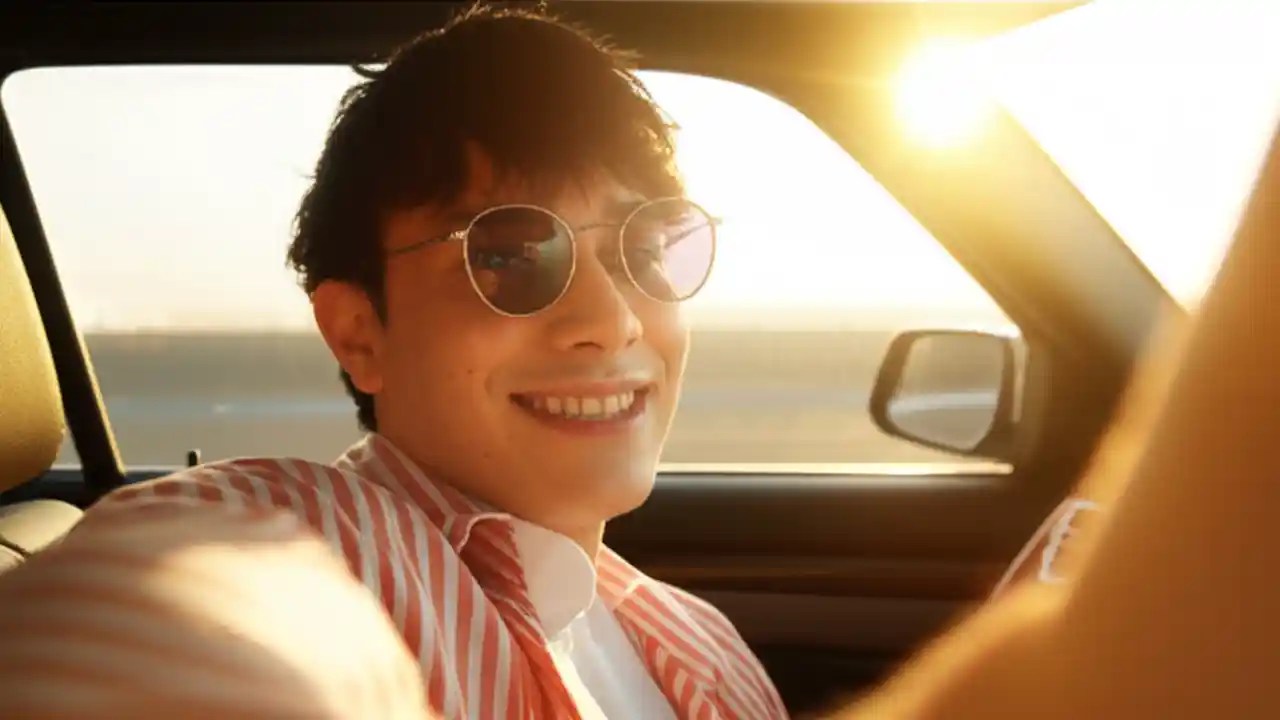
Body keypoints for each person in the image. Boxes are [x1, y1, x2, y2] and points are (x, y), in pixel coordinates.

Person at [0, 4, 784, 719]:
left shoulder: (699, 646)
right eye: (509, 256)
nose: (611, 322)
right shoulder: (316, 546)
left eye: (645, 248)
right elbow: (140, 620)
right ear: (359, 336)